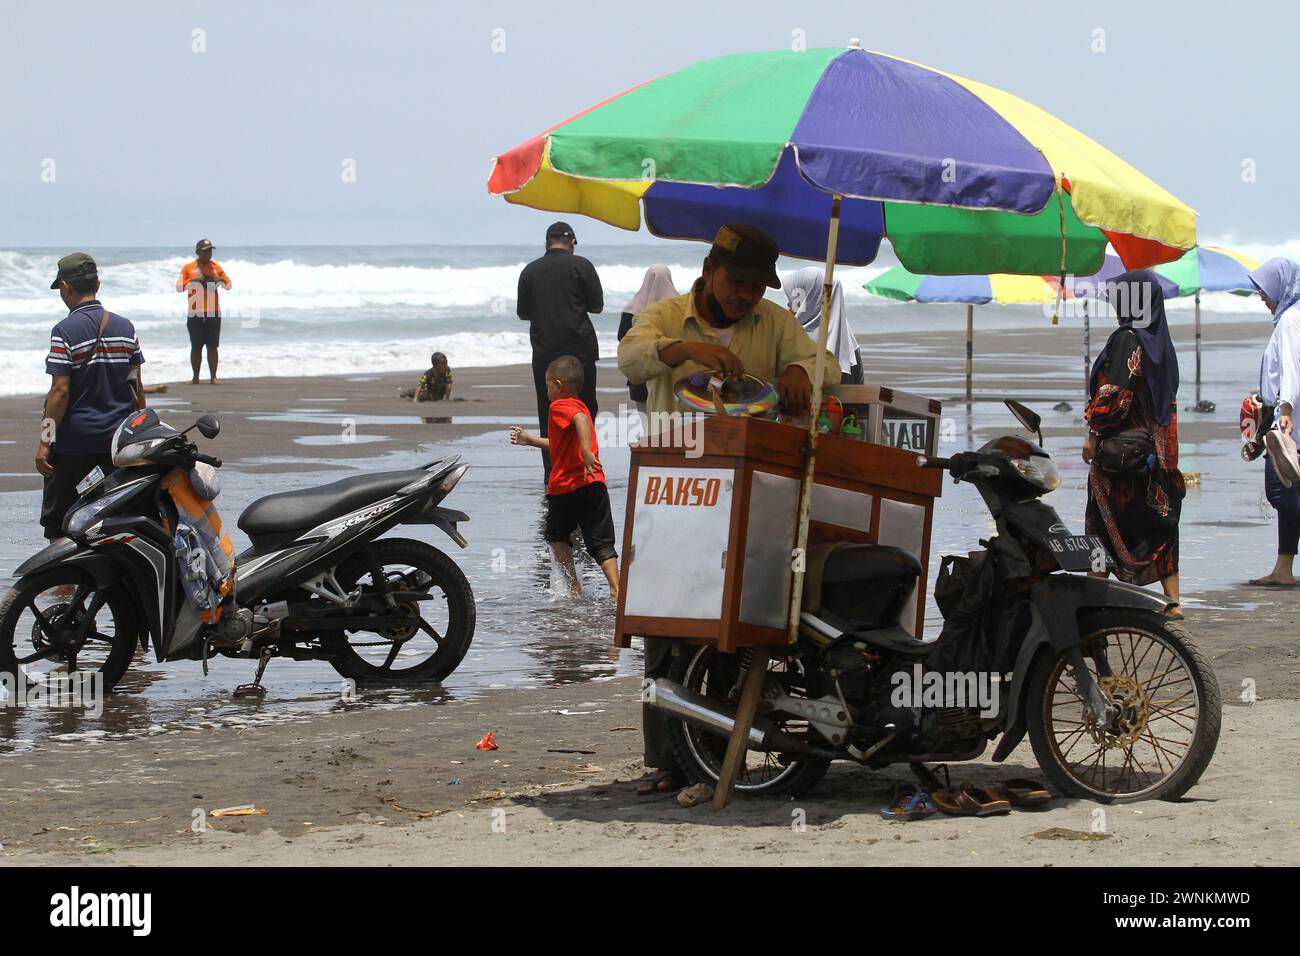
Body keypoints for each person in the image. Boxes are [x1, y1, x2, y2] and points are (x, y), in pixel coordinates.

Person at [617, 223, 838, 795]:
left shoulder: (775, 324)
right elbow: (631, 358)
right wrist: (685, 349)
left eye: (757, 286)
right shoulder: (668, 315)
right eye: (737, 282)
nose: (746, 294)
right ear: (710, 268)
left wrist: (798, 371)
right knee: (669, 624)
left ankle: (717, 752)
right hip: (678, 491)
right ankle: (666, 759)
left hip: (753, 497)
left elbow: (827, 367)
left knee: (735, 625)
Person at [1081, 270, 1184, 616]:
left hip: (1122, 456)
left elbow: (1115, 395)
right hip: (1157, 454)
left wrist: (1093, 436)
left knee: (1100, 524)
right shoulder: (1161, 341)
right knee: (1160, 524)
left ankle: (1094, 598)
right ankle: (1174, 603)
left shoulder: (1127, 337)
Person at [37, 253, 146, 539]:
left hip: (74, 445)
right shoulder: (126, 327)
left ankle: (65, 584)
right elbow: (136, 385)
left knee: (59, 527)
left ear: (65, 287)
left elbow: (59, 391)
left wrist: (45, 441)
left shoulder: (64, 331)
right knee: (107, 519)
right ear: (97, 282)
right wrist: (137, 432)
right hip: (115, 443)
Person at [509, 355, 619, 598]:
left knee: (556, 535)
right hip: (594, 482)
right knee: (601, 541)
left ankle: (573, 588)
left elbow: (578, 422)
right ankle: (616, 589)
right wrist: (529, 441)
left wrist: (586, 451)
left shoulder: (559, 405)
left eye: (547, 384)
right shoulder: (581, 406)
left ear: (558, 385)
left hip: (567, 487)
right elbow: (560, 442)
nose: (546, 390)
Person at [516, 222, 604, 482]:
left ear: (546, 243)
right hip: (580, 352)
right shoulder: (582, 266)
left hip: (546, 355)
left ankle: (553, 472)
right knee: (584, 409)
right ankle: (585, 464)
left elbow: (523, 313)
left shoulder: (529, 271)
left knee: (549, 412)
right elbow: (597, 307)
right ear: (573, 243)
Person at [1246, 258, 1300, 585]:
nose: (1262, 297)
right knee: (1286, 495)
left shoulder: (1291, 321)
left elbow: (1292, 369)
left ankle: (1284, 569)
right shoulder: (1290, 318)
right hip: (1284, 414)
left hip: (1290, 422)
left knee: (1284, 493)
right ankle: (1283, 568)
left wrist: (1285, 410)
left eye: (1264, 290)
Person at [781, 266, 864, 384]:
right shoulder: (845, 337)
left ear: (809, 297)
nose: (789, 304)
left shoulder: (795, 340)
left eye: (794, 297)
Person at [618, 266, 679, 413]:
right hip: (671, 377)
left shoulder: (631, 309)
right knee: (672, 428)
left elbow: (622, 338)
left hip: (641, 376)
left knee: (648, 428)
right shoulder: (679, 309)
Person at [176, 239, 231, 385]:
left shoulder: (216, 267)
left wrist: (218, 280)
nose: (209, 253)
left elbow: (229, 284)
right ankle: (195, 378)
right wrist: (195, 281)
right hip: (195, 312)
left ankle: (213, 377)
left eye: (210, 250)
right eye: (206, 250)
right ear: (198, 252)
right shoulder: (188, 268)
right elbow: (179, 287)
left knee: (212, 346)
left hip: (213, 312)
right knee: (196, 346)